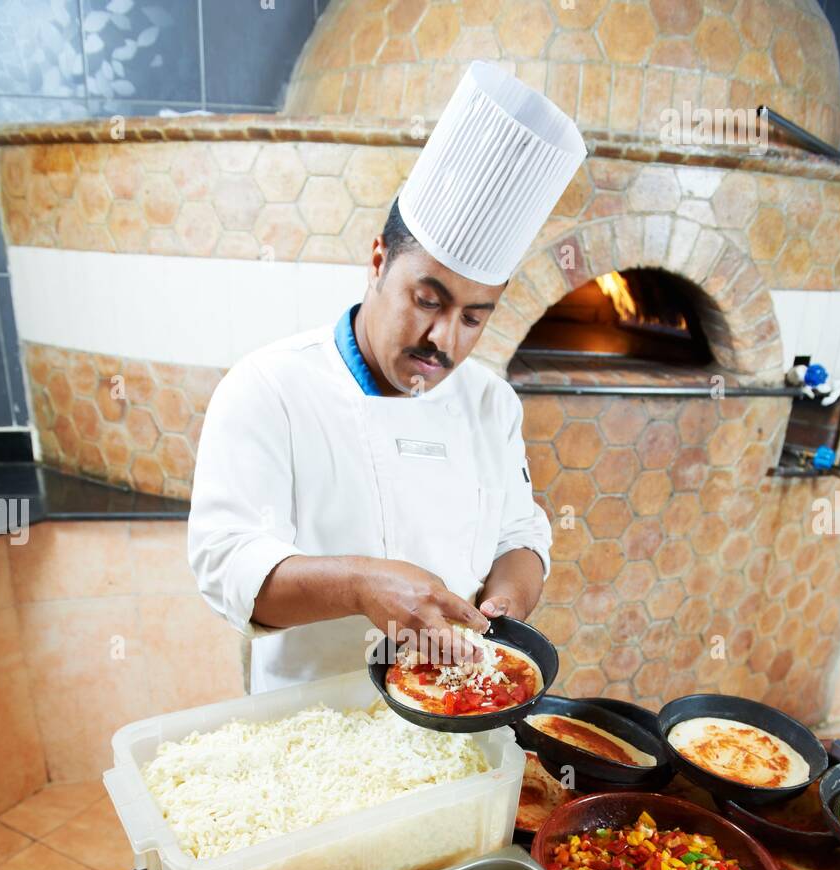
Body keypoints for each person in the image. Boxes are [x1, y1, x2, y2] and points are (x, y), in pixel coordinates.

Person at [189, 61, 586, 692]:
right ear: (378, 260)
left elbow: (520, 531)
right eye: (427, 300)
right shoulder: (269, 388)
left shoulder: (491, 404)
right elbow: (225, 563)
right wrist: (360, 583)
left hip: (457, 705)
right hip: (309, 722)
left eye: (474, 318)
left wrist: (503, 608)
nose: (443, 340)